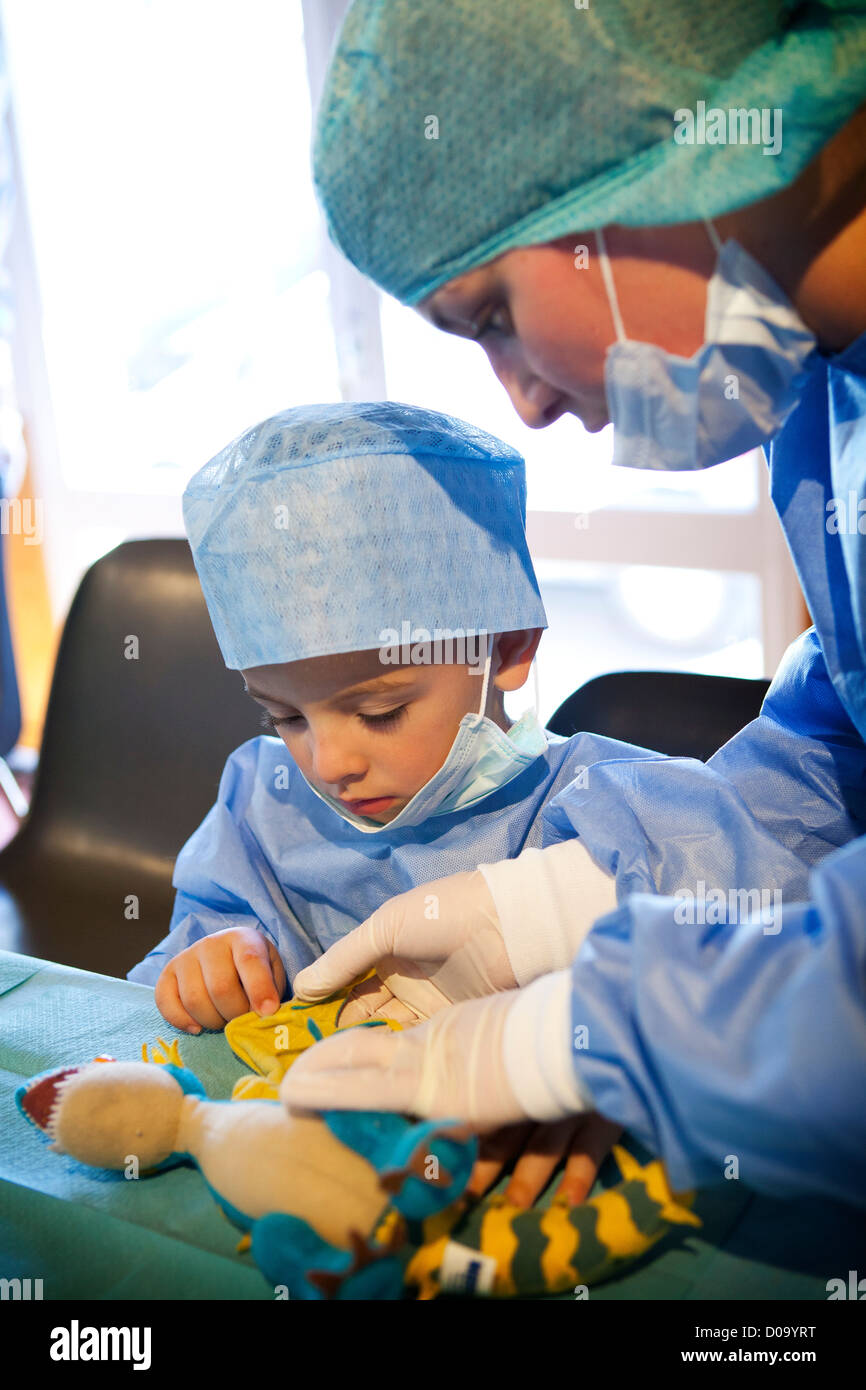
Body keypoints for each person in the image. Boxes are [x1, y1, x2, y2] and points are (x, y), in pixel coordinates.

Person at [279, 0, 866, 1208]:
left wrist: (608, 1032)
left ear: (658, 142)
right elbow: (834, 763)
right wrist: (558, 900)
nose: (525, 405)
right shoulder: (824, 410)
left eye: (491, 316)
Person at [127, 399, 630, 1201]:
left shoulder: (608, 812)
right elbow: (198, 939)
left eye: (380, 711)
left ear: (505, 647)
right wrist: (213, 959)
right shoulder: (266, 800)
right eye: (283, 715)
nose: (327, 763)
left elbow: (705, 978)